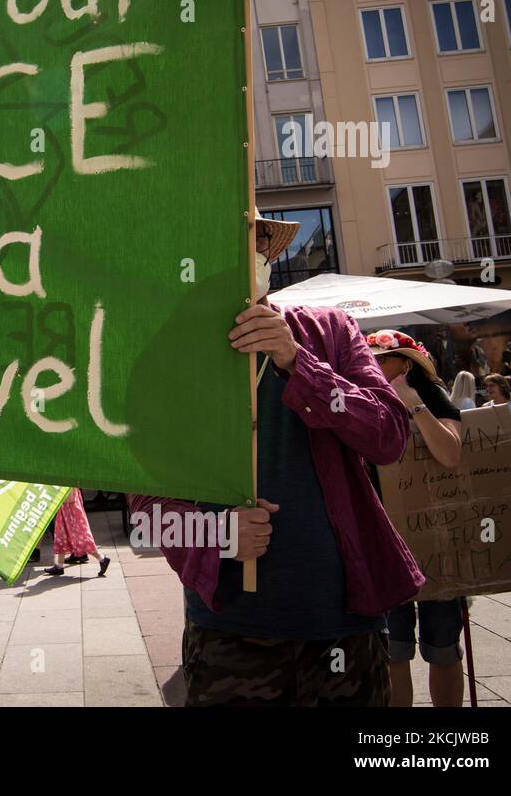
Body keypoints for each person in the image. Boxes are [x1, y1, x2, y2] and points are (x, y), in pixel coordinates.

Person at [127, 209, 421, 707]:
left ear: (267, 254)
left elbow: (389, 437)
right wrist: (217, 535)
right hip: (232, 635)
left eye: (253, 243)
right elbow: (145, 513)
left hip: (343, 623)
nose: (242, 258)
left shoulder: (331, 331)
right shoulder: (167, 357)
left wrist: (297, 363)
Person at [366, 330, 466, 708]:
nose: (372, 365)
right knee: (393, 650)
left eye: (381, 359)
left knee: (442, 648)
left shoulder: (432, 397)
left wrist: (414, 405)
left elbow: (451, 453)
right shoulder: (368, 399)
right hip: (385, 544)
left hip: (436, 543)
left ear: (405, 364)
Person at [44, 487, 110, 578]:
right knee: (62, 536)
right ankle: (59, 566)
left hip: (69, 506)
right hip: (68, 505)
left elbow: (69, 494)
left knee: (80, 537)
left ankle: (102, 559)